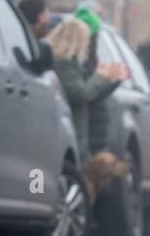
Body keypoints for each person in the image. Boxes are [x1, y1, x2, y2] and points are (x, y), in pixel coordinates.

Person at [47, 17, 130, 200]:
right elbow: (81, 94)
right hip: (71, 131)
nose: (88, 45)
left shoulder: (72, 63)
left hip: (78, 133)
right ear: (76, 40)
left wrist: (111, 80)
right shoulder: (64, 63)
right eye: (85, 40)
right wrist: (101, 76)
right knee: (76, 188)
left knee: (82, 188)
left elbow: (90, 95)